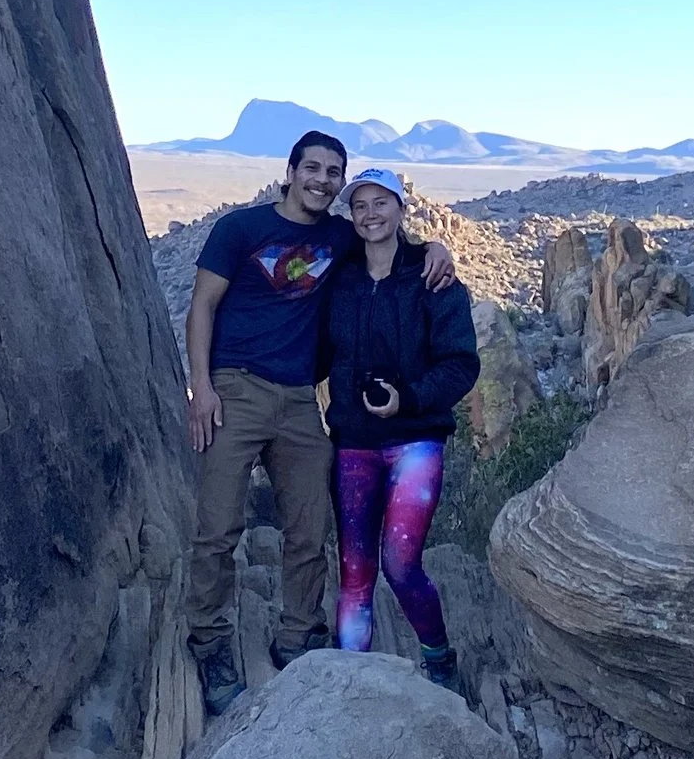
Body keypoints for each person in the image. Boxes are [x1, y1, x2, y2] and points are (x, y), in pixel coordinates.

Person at [184, 131, 455, 718]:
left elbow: (389, 242)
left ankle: (296, 634)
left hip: (302, 400)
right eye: (314, 168)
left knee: (309, 528)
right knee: (218, 526)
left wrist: (437, 248)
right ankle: (209, 644)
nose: (323, 180)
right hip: (237, 387)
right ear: (290, 170)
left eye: (335, 173)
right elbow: (201, 304)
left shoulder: (339, 234)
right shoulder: (241, 230)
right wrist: (201, 389)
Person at [320, 164, 479, 691]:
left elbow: (460, 363)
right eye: (359, 206)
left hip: (416, 440)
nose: (370, 215)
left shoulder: (432, 279)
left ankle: (439, 658)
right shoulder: (339, 278)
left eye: (380, 203)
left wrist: (409, 398)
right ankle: (352, 685)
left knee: (400, 562)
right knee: (355, 572)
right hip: (354, 444)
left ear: (401, 208)